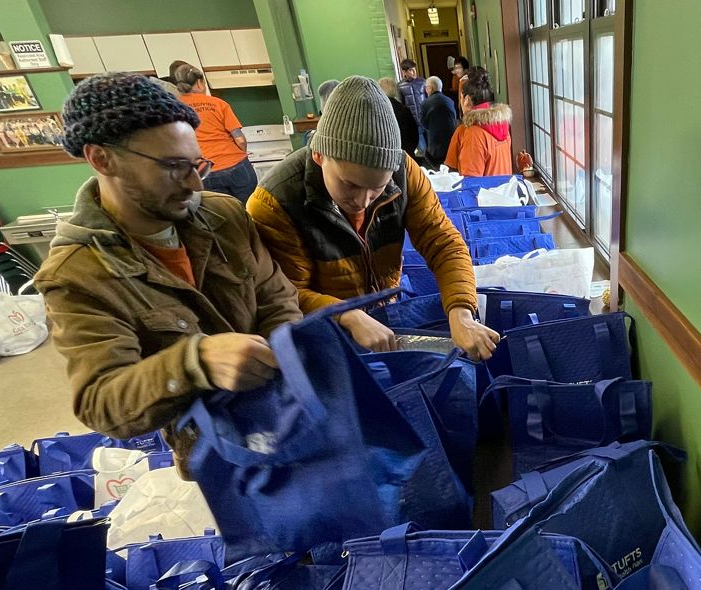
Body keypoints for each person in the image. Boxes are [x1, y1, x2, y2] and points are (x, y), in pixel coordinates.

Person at [32, 72, 301, 446]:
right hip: (209, 449)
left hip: (288, 416)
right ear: (102, 159)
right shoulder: (76, 275)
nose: (194, 185)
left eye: (197, 165)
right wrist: (195, 363)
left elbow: (278, 297)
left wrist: (281, 359)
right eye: (173, 167)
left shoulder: (225, 216)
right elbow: (101, 402)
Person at [246, 76, 498, 361]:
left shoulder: (405, 172)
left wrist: (461, 311)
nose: (363, 201)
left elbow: (443, 242)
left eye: (378, 188)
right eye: (350, 185)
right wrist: (346, 315)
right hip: (322, 336)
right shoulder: (275, 203)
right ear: (319, 155)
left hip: (385, 312)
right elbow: (284, 297)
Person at [173, 64, 258, 204]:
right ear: (199, 83)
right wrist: (240, 156)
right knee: (251, 209)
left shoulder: (174, 109)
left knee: (224, 213)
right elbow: (240, 139)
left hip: (205, 170)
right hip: (235, 165)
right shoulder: (218, 104)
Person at [444, 68, 513, 176]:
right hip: (504, 190)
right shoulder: (502, 124)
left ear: (466, 100)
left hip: (484, 193)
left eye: (461, 97)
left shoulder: (472, 133)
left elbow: (471, 182)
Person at [420, 75, 457, 169]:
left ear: (430, 88)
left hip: (435, 144)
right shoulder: (450, 101)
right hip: (451, 141)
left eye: (426, 88)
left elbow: (424, 124)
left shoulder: (425, 103)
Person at [378, 77, 420, 156]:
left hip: (388, 156)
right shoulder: (404, 109)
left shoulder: (377, 111)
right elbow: (414, 133)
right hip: (406, 152)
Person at [397, 59, 426, 152]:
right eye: (410, 70)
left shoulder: (422, 82)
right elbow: (402, 105)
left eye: (414, 69)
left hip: (426, 118)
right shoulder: (400, 86)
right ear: (404, 72)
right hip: (414, 121)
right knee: (422, 148)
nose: (414, 72)